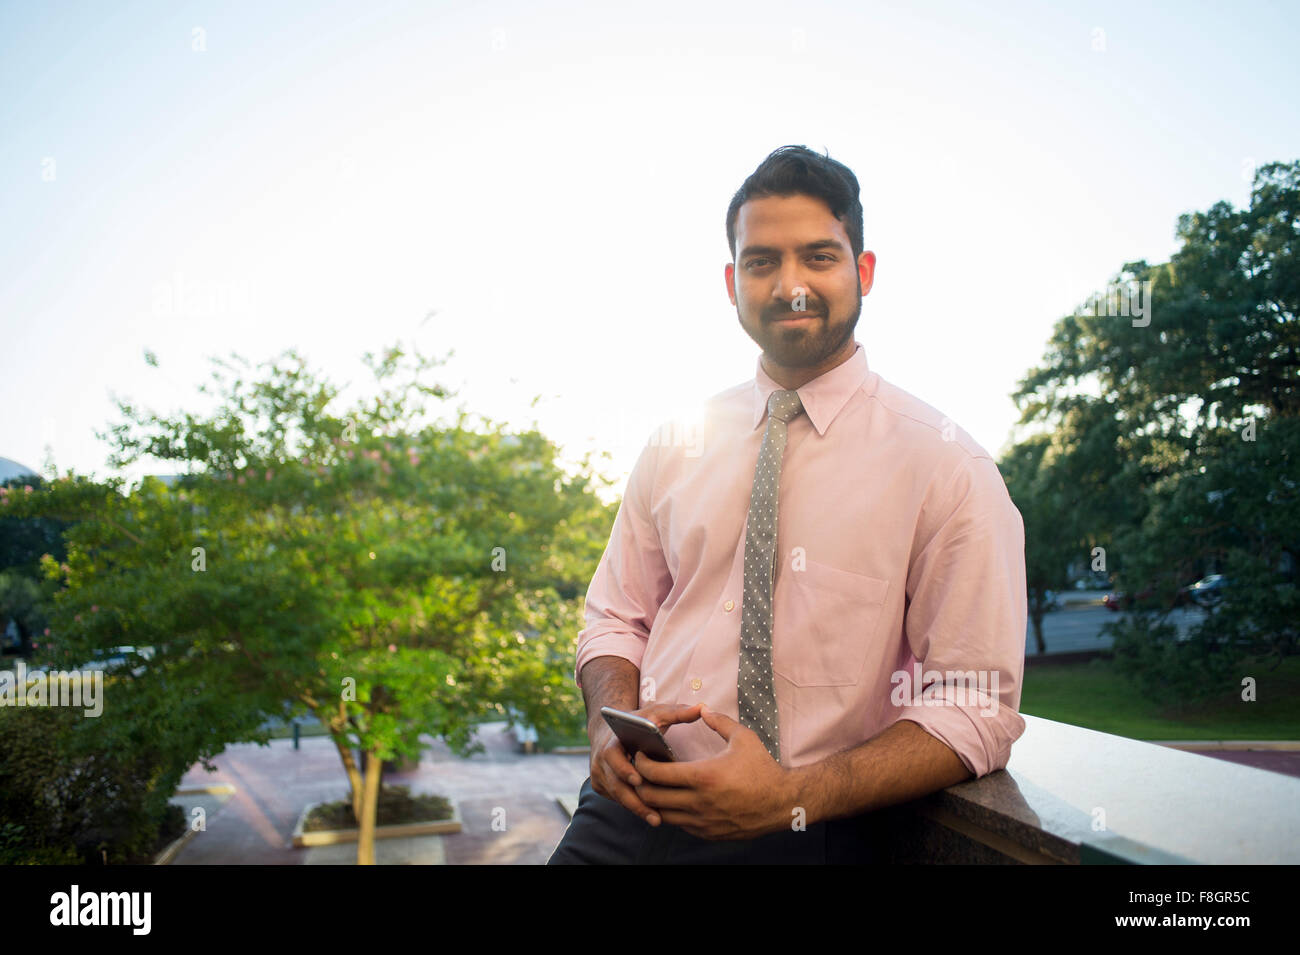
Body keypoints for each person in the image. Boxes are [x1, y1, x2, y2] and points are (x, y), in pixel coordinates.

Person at [548, 145, 1027, 864]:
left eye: (818, 257)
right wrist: (605, 728)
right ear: (732, 281)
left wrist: (790, 797)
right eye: (763, 261)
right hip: (628, 812)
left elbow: (974, 703)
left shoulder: (946, 467)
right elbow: (615, 616)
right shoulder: (675, 442)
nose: (790, 285)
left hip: (806, 832)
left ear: (863, 272)